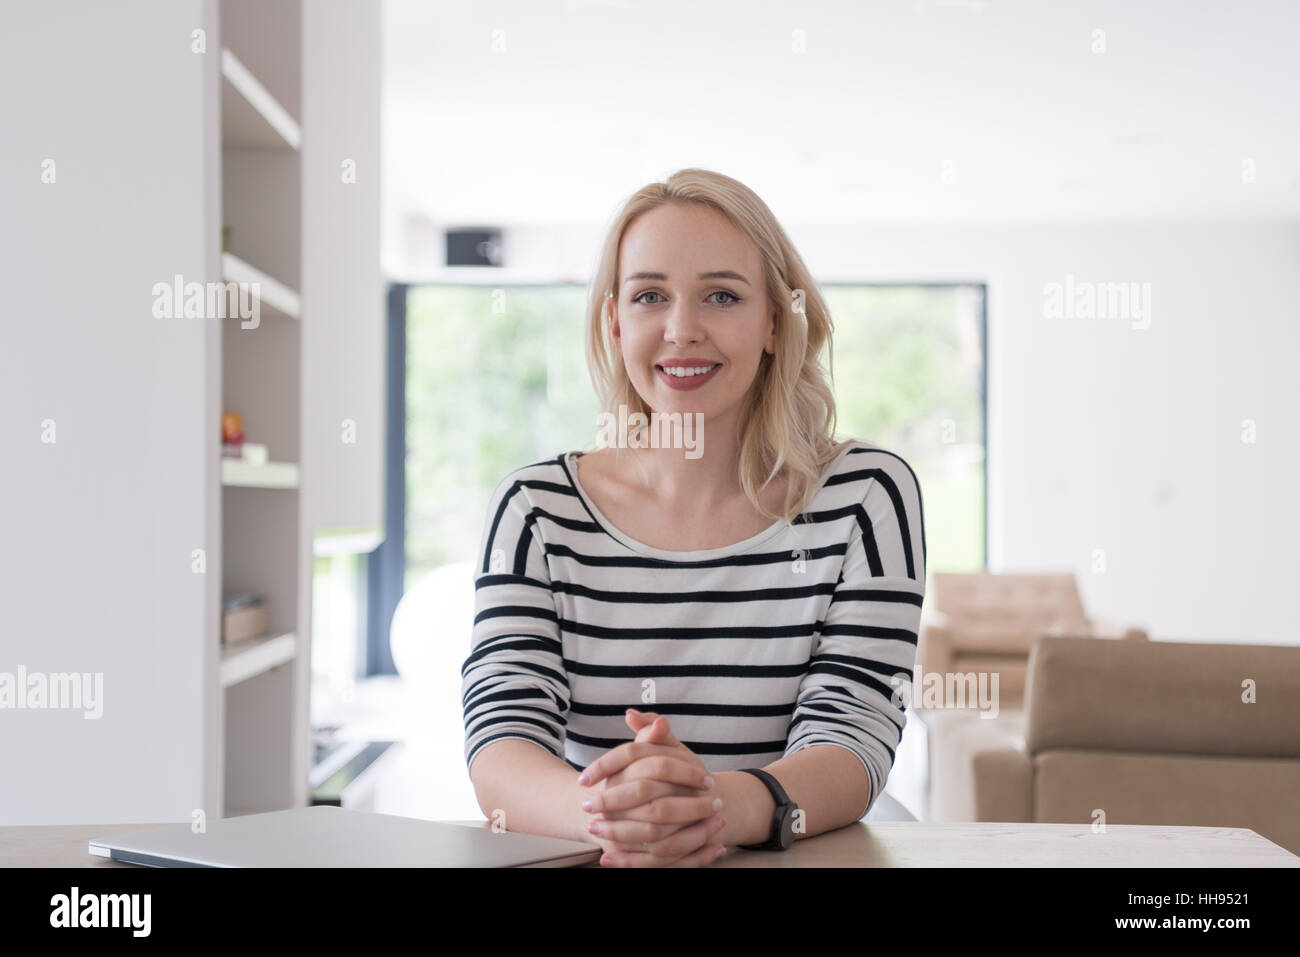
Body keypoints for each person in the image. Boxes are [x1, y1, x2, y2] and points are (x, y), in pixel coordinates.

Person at [462, 168, 926, 867]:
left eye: (721, 295)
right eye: (650, 295)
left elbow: (853, 735)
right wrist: (616, 819)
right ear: (615, 322)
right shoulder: (535, 511)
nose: (682, 330)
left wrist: (711, 808)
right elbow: (501, 741)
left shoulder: (865, 497)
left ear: (774, 320)